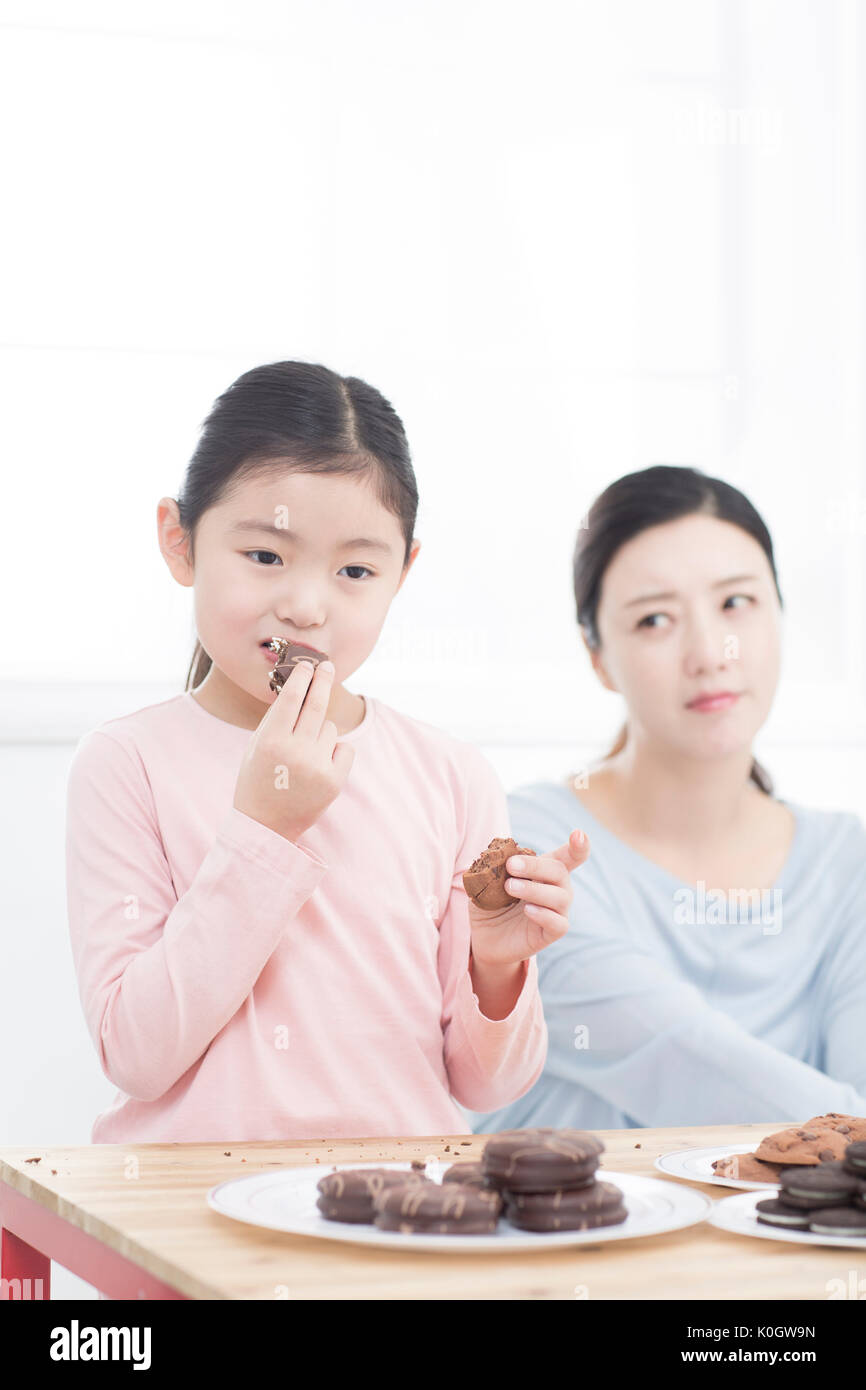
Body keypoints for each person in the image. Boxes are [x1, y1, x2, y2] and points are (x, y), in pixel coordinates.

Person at [66, 360, 588, 1146]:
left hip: (399, 1223)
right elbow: (136, 1056)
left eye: (354, 570)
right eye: (266, 556)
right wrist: (264, 833)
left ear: (402, 572)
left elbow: (486, 1084)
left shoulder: (451, 777)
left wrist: (497, 966)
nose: (308, 606)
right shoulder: (126, 763)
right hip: (188, 1218)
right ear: (180, 542)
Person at [469, 465, 866, 1134]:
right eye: (655, 619)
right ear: (598, 657)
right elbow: (684, 1063)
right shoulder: (535, 847)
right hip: (567, 1234)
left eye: (736, 603)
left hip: (778, 1241)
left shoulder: (847, 863)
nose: (710, 653)